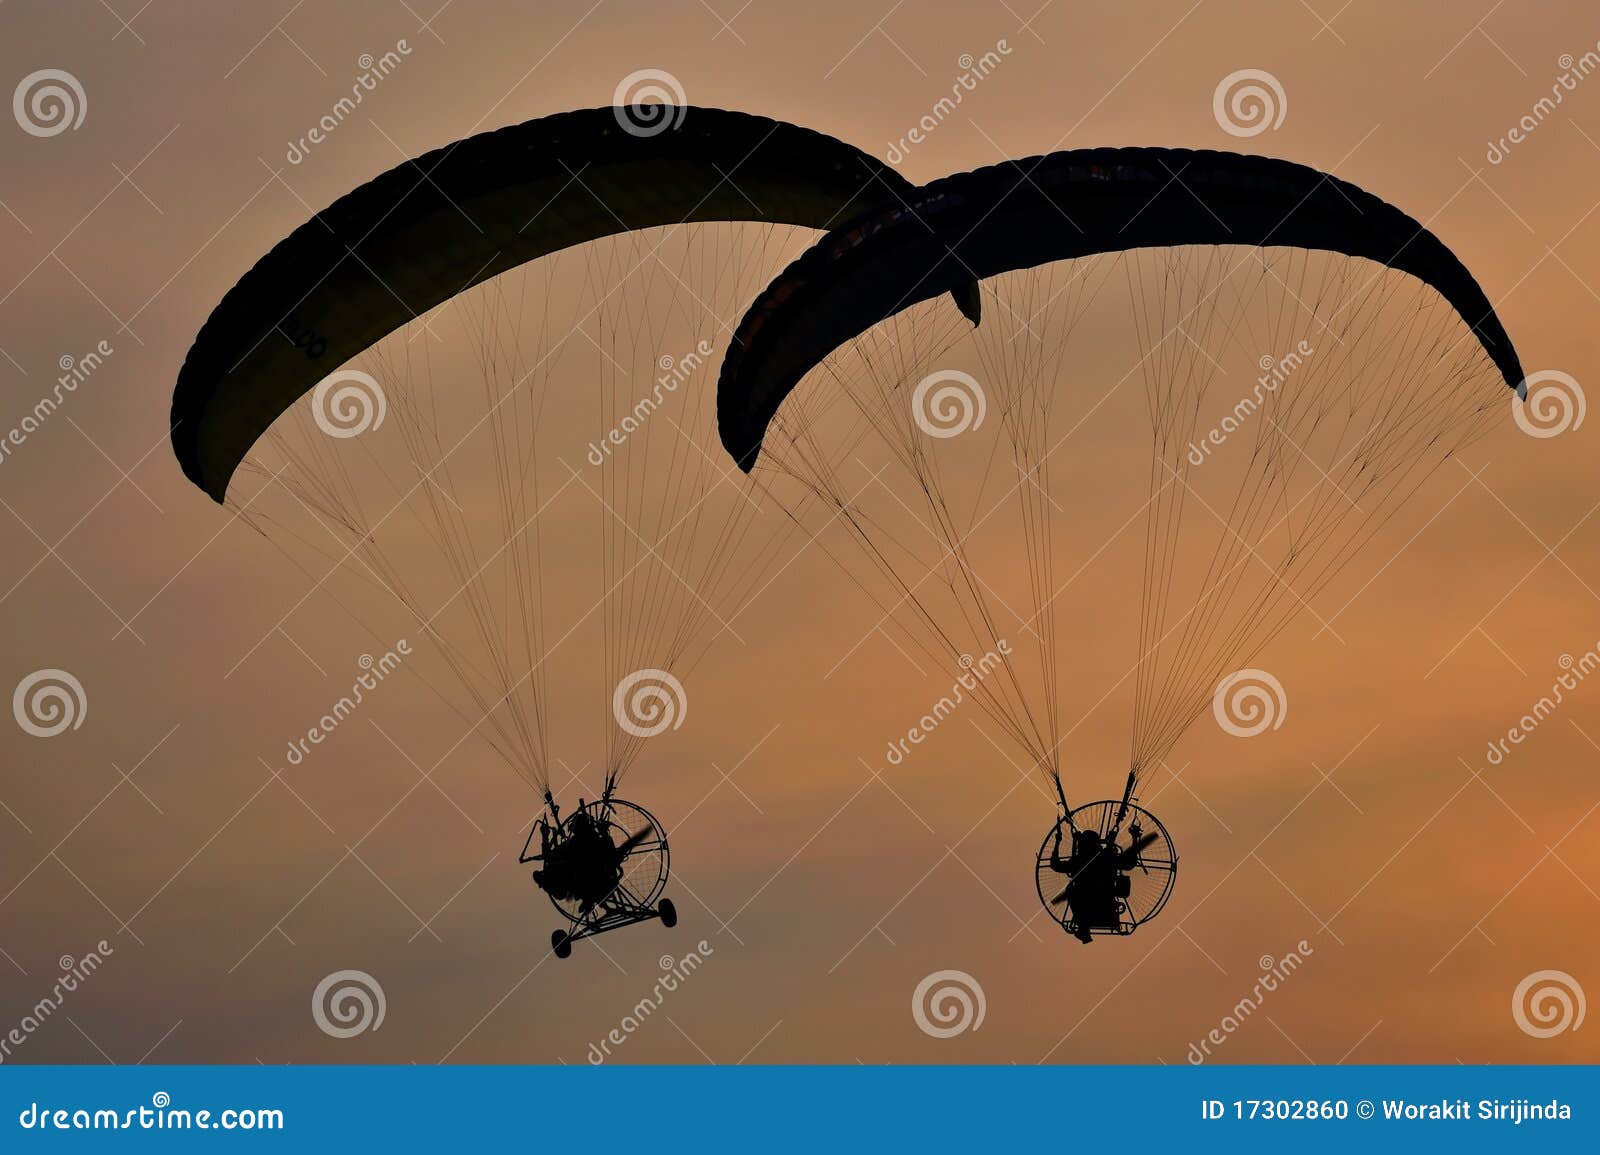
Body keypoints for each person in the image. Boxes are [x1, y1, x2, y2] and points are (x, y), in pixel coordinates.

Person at [1049, 825, 1122, 943]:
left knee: (1072, 889)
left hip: (1093, 906)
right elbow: (1129, 863)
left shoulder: (1079, 861)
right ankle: (1083, 928)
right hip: (1103, 906)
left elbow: (1055, 865)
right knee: (1074, 890)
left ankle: (1083, 927)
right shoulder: (1107, 857)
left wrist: (1058, 842)